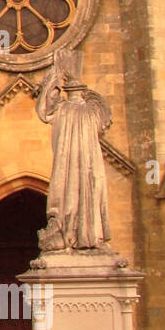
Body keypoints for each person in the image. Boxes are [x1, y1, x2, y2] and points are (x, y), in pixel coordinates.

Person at [34, 48, 112, 251]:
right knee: (89, 193)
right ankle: (91, 236)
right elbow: (105, 114)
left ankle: (70, 234)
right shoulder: (93, 111)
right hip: (89, 168)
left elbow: (44, 107)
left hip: (68, 167)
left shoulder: (62, 110)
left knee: (66, 193)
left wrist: (56, 74)